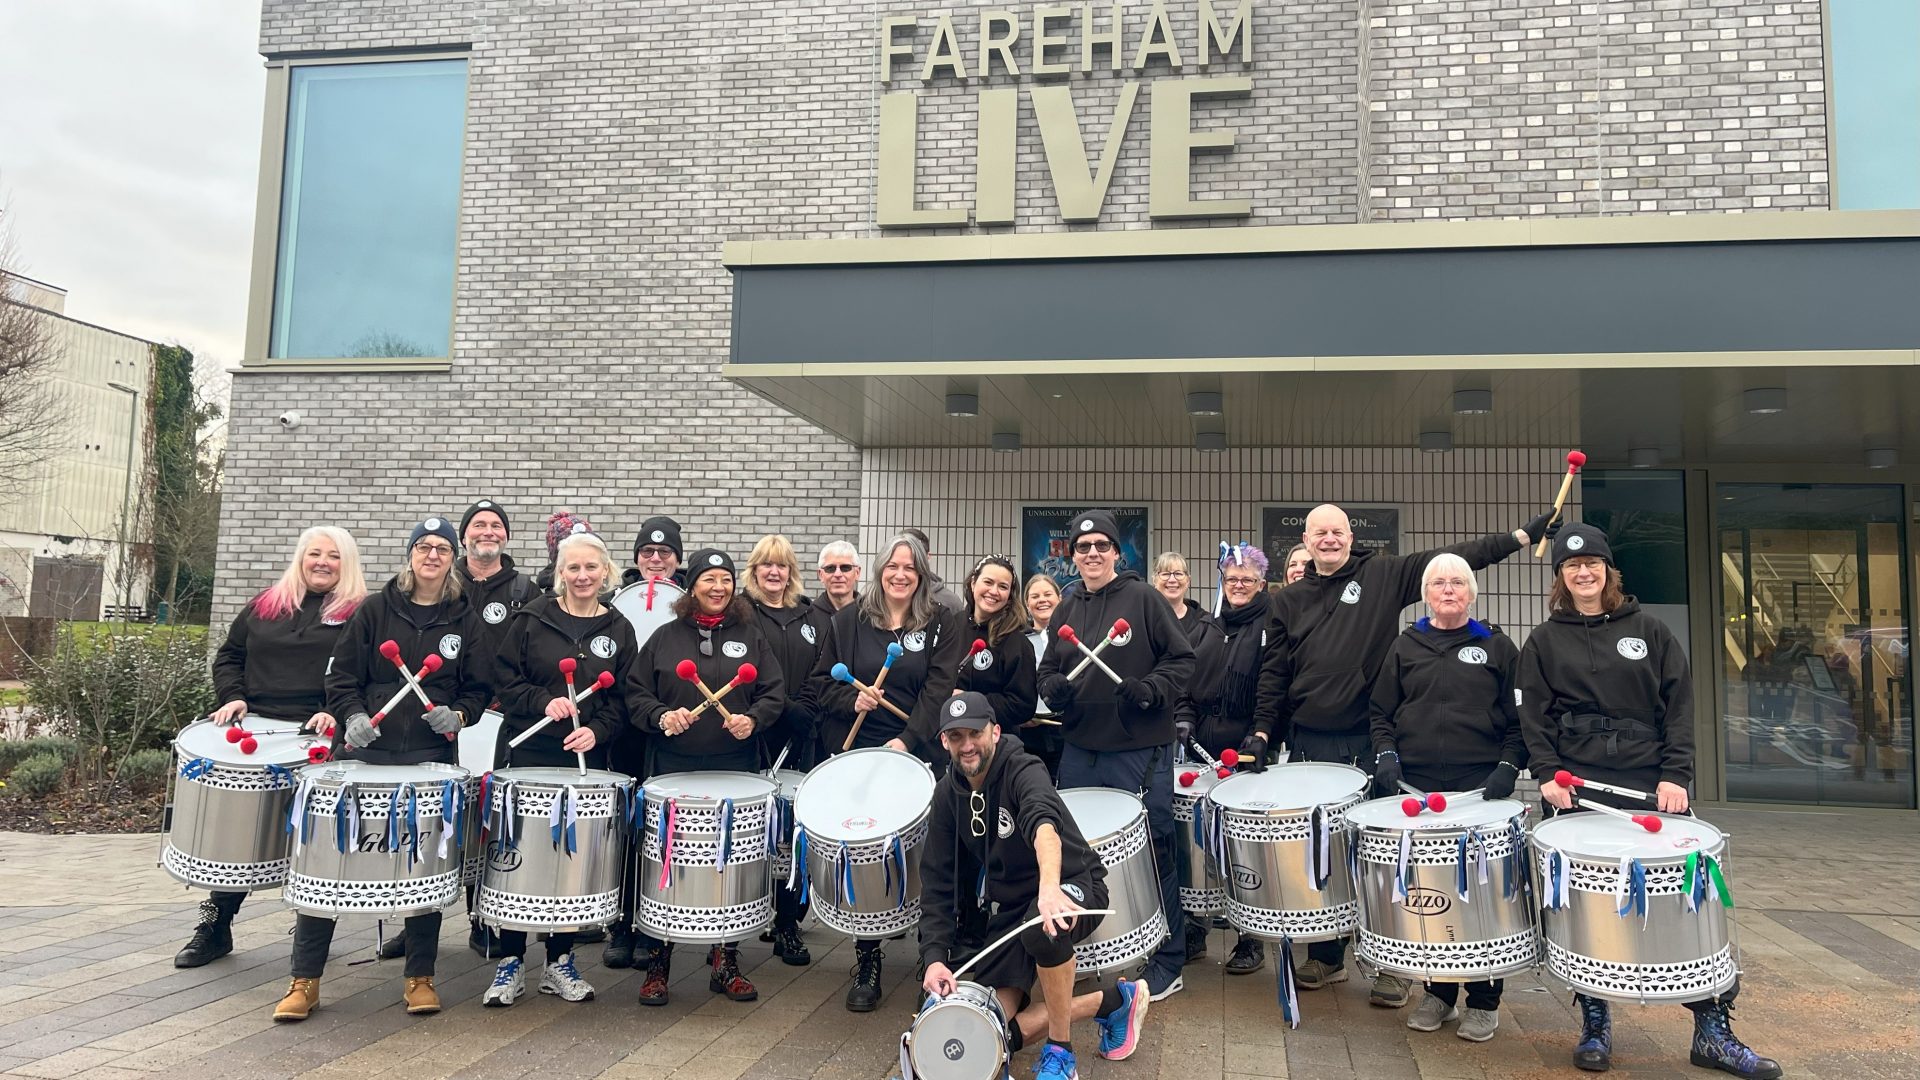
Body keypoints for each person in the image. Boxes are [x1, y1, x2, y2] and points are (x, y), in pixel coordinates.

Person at [1250, 502, 1551, 1006]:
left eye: (1337, 531)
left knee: (1380, 856)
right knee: (1321, 852)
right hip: (1308, 742)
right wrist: (1263, 732)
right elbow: (1274, 673)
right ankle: (1327, 957)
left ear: (1350, 536)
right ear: (1305, 539)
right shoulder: (1288, 601)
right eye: (1319, 532)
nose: (1329, 539)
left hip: (1369, 740)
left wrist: (1520, 537)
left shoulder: (1384, 574)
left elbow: (1455, 559)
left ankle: (1391, 965)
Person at [1520, 525, 1778, 1078]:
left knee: (1685, 910)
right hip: (1578, 789)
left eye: (1592, 564)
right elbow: (1532, 716)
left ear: (1609, 571)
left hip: (1650, 786)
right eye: (1571, 567)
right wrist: (1546, 774)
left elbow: (1679, 707)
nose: (1582, 573)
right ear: (1560, 578)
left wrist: (1676, 774)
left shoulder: (1651, 630)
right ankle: (1595, 1023)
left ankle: (1712, 1031)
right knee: (1586, 912)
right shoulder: (1544, 639)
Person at [274, 517, 490, 1022]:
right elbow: (342, 676)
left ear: (452, 557)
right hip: (366, 753)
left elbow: (478, 689)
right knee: (330, 859)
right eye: (423, 546)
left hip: (429, 758)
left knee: (423, 865)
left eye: (441, 548)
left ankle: (420, 975)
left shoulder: (465, 618)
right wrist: (350, 716)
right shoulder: (375, 609)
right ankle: (304, 979)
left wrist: (457, 716)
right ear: (410, 553)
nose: (432, 555)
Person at [920, 693, 1151, 1080]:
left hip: (1072, 883)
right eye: (956, 736)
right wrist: (933, 958)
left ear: (994, 731)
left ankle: (1061, 1052)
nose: (967, 745)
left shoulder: (1023, 768)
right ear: (944, 742)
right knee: (988, 1031)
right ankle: (1113, 1002)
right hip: (1012, 908)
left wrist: (1049, 890)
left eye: (975, 733)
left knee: (1046, 928)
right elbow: (938, 881)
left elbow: (1044, 827)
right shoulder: (947, 795)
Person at [185, 527, 367, 969]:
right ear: (300, 558)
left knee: (312, 841)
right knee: (241, 833)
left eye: (333, 556)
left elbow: (367, 674)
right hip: (256, 731)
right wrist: (232, 695)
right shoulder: (265, 605)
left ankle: (309, 937)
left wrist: (334, 711)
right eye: (314, 554)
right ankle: (216, 924)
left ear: (348, 563)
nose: (322, 562)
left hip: (317, 736)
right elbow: (229, 655)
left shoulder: (361, 613)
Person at [1035, 510, 1195, 1001]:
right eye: (1083, 548)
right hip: (1082, 748)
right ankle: (1096, 944)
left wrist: (1150, 690)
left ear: (1116, 552)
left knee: (1155, 847)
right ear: (1073, 555)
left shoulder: (1143, 598)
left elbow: (1183, 659)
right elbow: (1046, 673)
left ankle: (1169, 957)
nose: (1092, 554)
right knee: (1080, 851)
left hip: (1139, 750)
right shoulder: (1066, 607)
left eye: (1102, 546)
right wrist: (1054, 690)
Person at [1367, 554, 1524, 1042]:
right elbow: (1380, 712)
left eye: (1458, 582)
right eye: (1439, 583)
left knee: (1479, 892)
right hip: (1419, 788)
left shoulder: (1496, 646)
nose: (1448, 589)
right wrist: (1387, 754)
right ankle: (1439, 992)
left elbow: (1521, 721)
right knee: (1430, 891)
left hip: (1479, 787)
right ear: (1426, 593)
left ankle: (1483, 999)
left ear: (1472, 593)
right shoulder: (1405, 645)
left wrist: (1508, 766)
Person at [479, 529, 637, 1008]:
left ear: (605, 571)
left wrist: (598, 731)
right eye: (574, 568)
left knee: (566, 859)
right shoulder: (531, 620)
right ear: (560, 573)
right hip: (529, 753)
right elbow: (504, 677)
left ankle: (559, 962)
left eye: (591, 567)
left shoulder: (618, 628)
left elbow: (624, 698)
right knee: (519, 857)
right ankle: (509, 962)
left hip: (580, 760)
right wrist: (540, 701)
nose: (583, 575)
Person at [625, 548, 787, 1007]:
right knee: (666, 863)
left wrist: (752, 719)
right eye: (708, 579)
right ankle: (659, 960)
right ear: (691, 586)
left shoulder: (751, 637)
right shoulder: (664, 637)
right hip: (672, 768)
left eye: (725, 580)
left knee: (727, 864)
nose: (718, 588)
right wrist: (661, 716)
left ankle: (726, 962)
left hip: (734, 768)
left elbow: (774, 692)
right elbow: (636, 695)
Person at [812, 533, 966, 1011]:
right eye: (892, 567)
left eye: (910, 568)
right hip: (862, 754)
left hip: (919, 749)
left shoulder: (943, 620)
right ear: (880, 571)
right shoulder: (847, 620)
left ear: (921, 574)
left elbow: (941, 687)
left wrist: (908, 740)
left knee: (933, 856)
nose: (900, 575)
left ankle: (933, 957)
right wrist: (850, 697)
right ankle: (868, 956)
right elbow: (820, 685)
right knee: (868, 853)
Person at [1172, 544, 1265, 972]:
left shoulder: (1269, 626)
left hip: (1247, 751)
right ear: (1222, 583)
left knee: (1244, 845)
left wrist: (1257, 738)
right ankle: (1196, 924)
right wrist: (1185, 720)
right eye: (1232, 578)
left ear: (1261, 583)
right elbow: (1188, 686)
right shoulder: (1208, 627)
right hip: (1201, 749)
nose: (1239, 585)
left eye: (1247, 578)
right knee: (1197, 841)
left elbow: (1272, 691)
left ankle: (1250, 937)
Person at [744, 533, 831, 966]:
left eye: (782, 565)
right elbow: (746, 670)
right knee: (753, 834)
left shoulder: (812, 616)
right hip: (757, 734)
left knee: (792, 834)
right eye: (766, 565)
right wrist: (778, 709)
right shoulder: (741, 613)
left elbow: (823, 670)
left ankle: (788, 924)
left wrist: (807, 712)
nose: (774, 572)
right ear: (755, 570)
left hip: (803, 735)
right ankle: (740, 919)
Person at [603, 512, 685, 969]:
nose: (656, 559)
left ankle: (654, 925)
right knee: (625, 827)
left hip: (672, 728)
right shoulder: (617, 601)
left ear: (676, 559)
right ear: (636, 557)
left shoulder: (688, 603)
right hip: (625, 729)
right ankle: (621, 923)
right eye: (647, 552)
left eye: (665, 553)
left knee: (660, 830)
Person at [956, 554, 1038, 731]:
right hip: (945, 738)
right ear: (973, 583)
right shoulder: (951, 626)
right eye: (988, 582)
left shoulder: (1018, 643)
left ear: (1009, 595)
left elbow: (1023, 706)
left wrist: (970, 701)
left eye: (1003, 586)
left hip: (996, 743)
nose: (994, 591)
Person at [1024, 574, 1066, 782]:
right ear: (1027, 604)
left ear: (1059, 599)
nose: (1042, 600)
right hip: (1028, 733)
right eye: (1035, 596)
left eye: (1048, 594)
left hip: (1065, 730)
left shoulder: (1072, 636)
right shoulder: (1017, 638)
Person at [902, 526, 967, 613]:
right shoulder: (882, 597)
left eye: (916, 557)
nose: (900, 574)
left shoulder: (949, 601)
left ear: (928, 557)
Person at [623, 515, 685, 589]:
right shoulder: (614, 599)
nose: (655, 559)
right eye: (647, 551)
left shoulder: (697, 599)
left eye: (664, 551)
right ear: (637, 559)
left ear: (678, 560)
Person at [814, 540, 862, 615]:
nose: (837, 574)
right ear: (821, 575)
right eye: (830, 568)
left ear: (857, 573)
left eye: (845, 568)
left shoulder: (872, 618)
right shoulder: (807, 618)